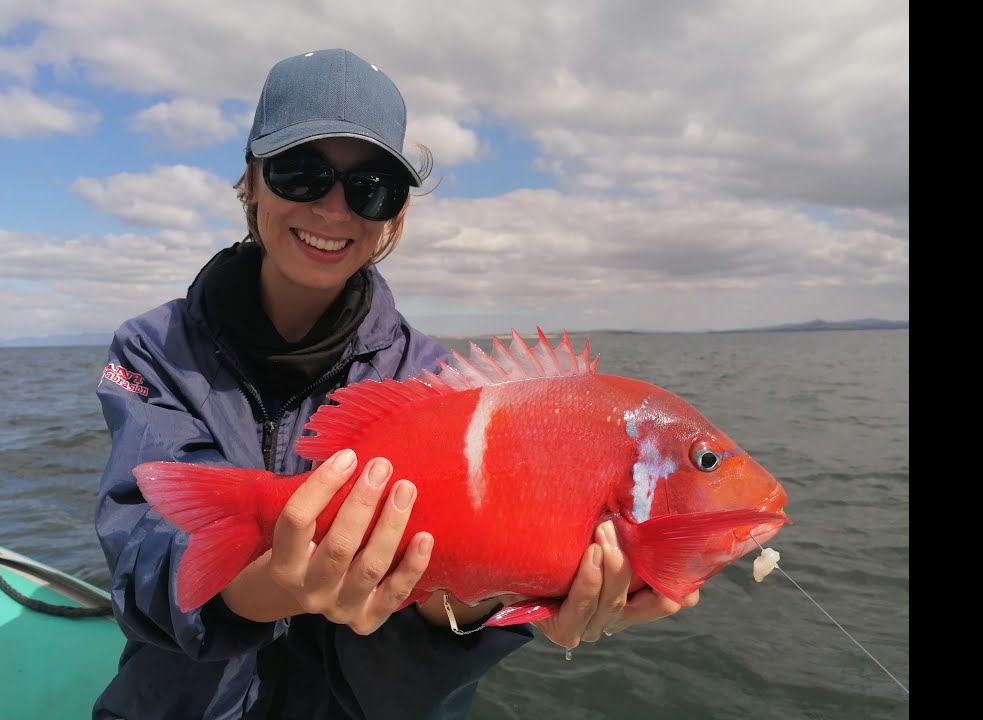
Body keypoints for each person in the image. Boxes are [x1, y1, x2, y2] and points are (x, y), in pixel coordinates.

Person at [91, 47, 700, 720]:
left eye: (371, 186)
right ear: (251, 182)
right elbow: (143, 558)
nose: (332, 209)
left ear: (396, 214)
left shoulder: (438, 385)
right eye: (300, 172)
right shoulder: (152, 349)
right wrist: (274, 586)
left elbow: (431, 631)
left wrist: (498, 601)